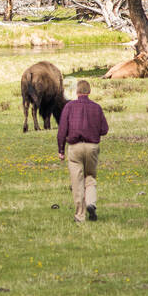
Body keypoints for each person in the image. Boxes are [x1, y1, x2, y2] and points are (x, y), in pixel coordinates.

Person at [56, 79, 109, 223]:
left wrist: (61, 150)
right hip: (92, 147)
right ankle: (91, 203)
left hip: (75, 148)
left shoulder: (69, 107)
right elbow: (104, 130)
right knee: (90, 178)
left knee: (77, 181)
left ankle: (80, 215)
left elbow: (62, 130)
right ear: (89, 92)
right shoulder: (97, 107)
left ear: (77, 92)